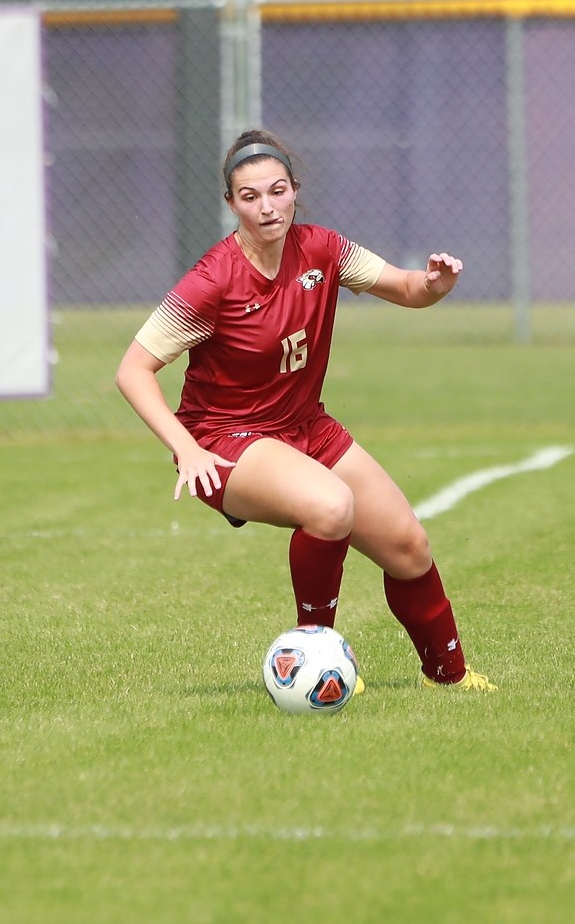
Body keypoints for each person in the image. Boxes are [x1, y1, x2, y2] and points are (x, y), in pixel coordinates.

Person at [116, 129, 495, 692]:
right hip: (224, 440)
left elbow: (410, 288)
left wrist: (437, 284)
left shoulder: (322, 248)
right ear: (231, 205)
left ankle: (451, 679)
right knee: (331, 506)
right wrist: (186, 448)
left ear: (295, 190)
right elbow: (133, 370)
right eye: (250, 196)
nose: (267, 207)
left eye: (277, 190)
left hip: (305, 427)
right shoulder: (212, 280)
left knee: (408, 546)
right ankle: (314, 660)